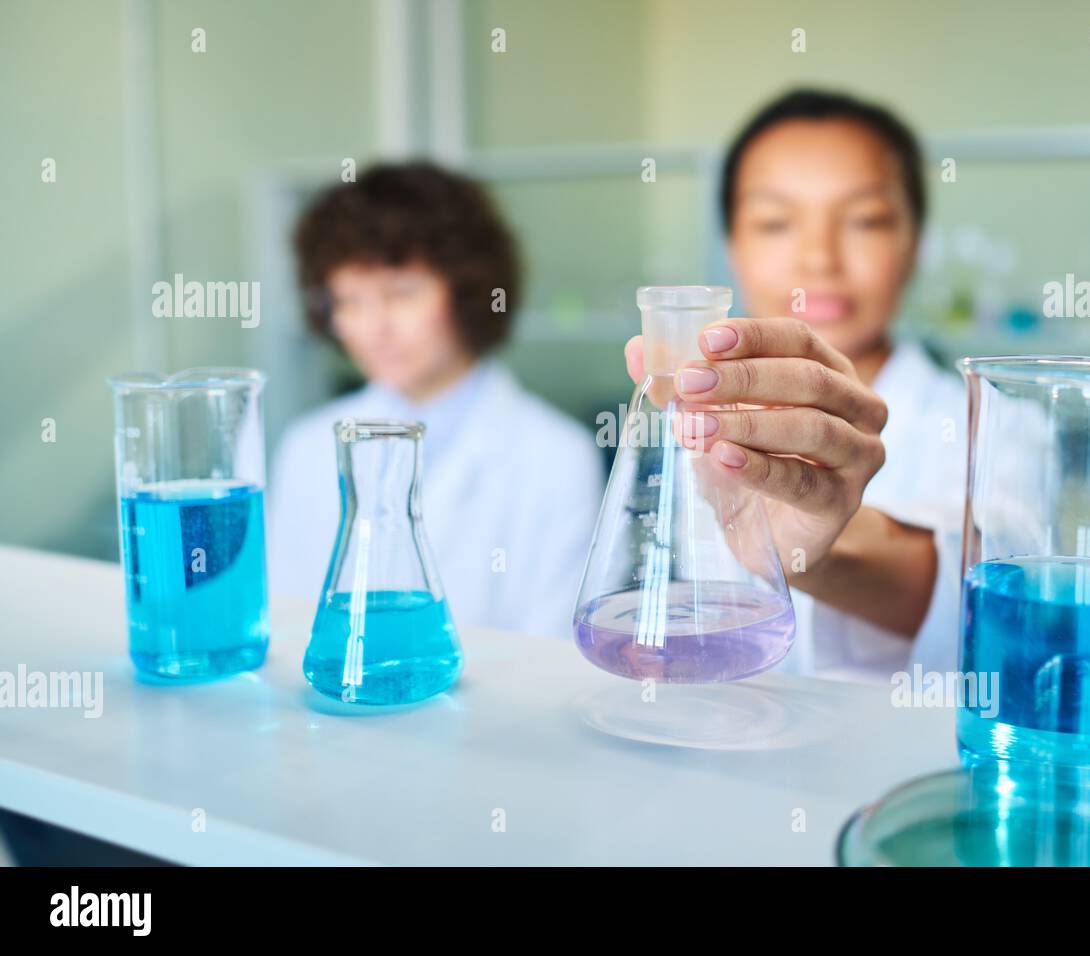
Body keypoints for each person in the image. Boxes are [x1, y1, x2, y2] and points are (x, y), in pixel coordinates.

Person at [626, 89, 967, 679]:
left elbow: (967, 603)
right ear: (732, 245)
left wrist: (814, 545)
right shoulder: (697, 414)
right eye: (775, 222)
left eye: (866, 220)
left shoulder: (993, 429)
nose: (819, 259)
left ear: (914, 244)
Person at [268, 161, 605, 638]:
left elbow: (553, 656)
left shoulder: (557, 456)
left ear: (470, 292)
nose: (375, 326)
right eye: (349, 300)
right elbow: (288, 624)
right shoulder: (306, 447)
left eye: (402, 294)